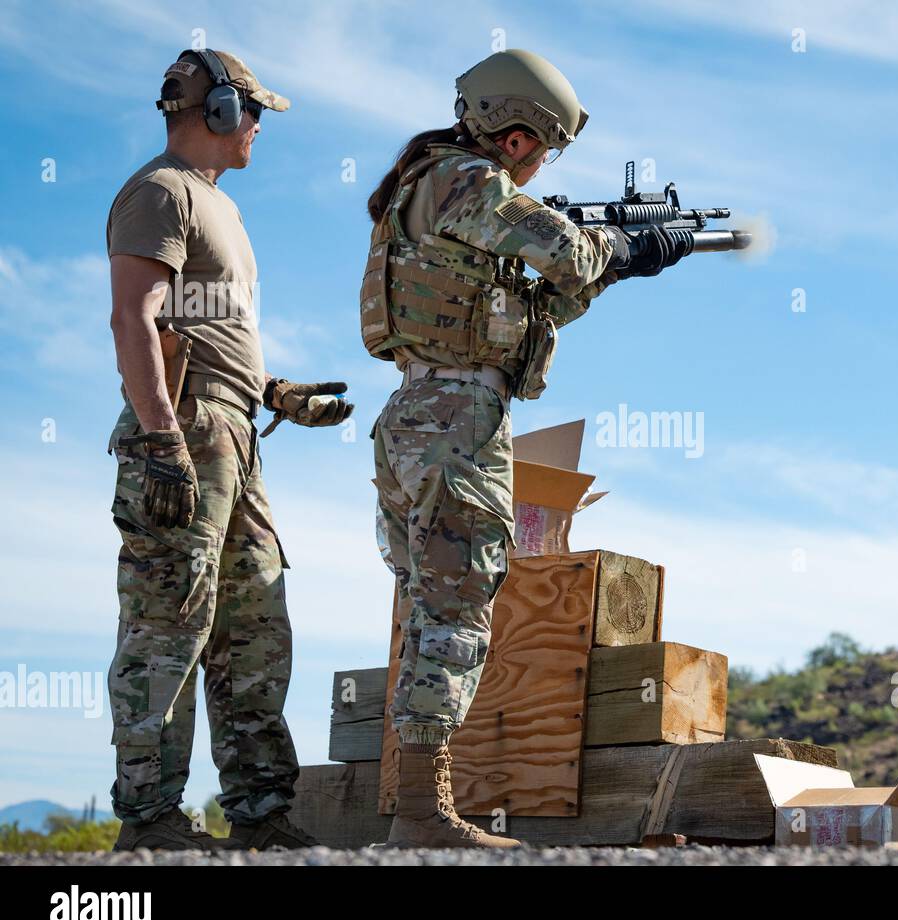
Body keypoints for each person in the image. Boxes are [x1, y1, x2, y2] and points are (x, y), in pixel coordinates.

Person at [362, 48, 689, 848]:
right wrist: (620, 247)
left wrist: (615, 266)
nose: (541, 168)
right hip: (455, 422)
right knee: (455, 614)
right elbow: (570, 254)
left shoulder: (432, 186)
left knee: (435, 608)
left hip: (422, 411)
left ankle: (418, 809)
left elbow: (532, 306)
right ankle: (421, 816)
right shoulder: (468, 182)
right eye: (543, 151)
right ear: (515, 137)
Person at [106, 48, 354, 851]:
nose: (257, 128)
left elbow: (209, 329)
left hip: (234, 437)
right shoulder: (160, 193)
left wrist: (275, 393)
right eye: (251, 112)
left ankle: (261, 815)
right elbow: (133, 322)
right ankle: (150, 823)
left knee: (254, 625)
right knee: (167, 620)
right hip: (183, 434)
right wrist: (161, 440)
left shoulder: (219, 208)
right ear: (215, 110)